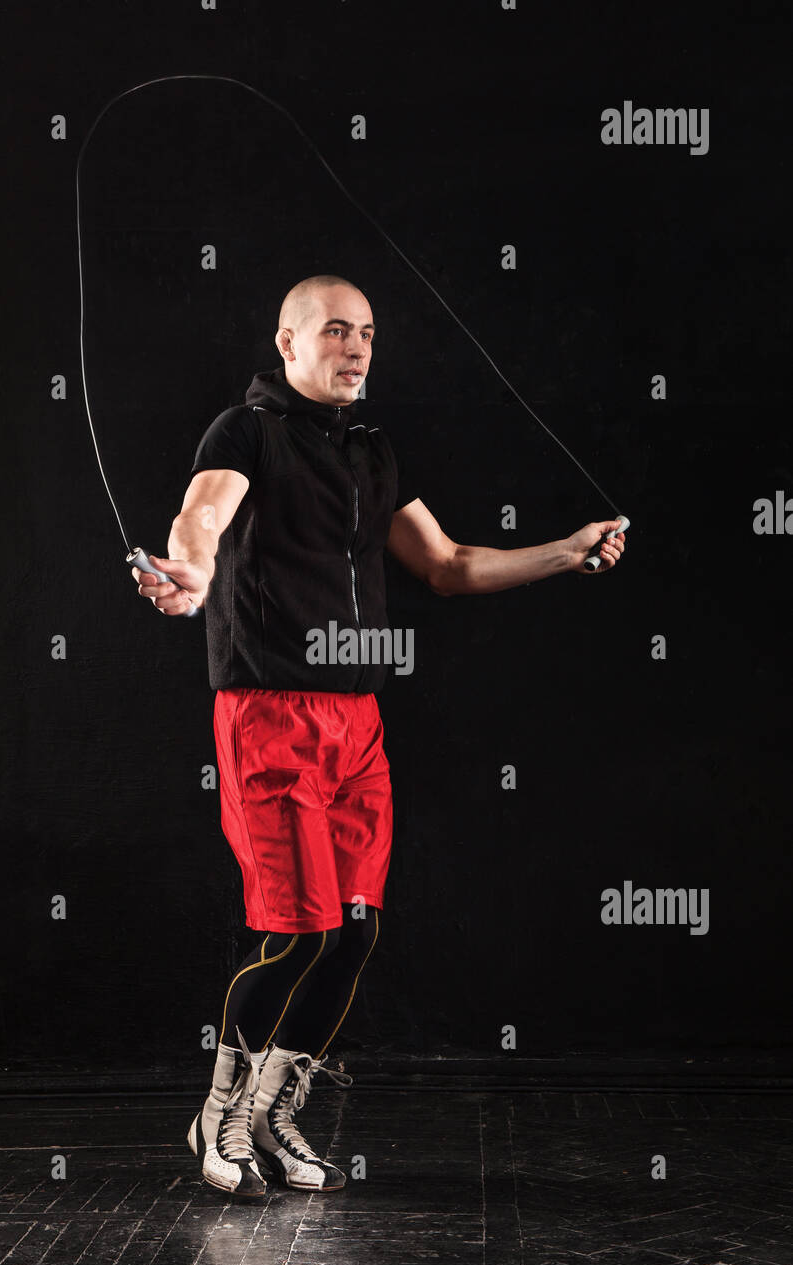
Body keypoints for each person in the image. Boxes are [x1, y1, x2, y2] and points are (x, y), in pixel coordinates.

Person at [132, 274, 626, 1199]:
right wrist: (189, 572)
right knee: (297, 929)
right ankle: (218, 1113)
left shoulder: (371, 450)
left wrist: (566, 551)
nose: (356, 348)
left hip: (357, 723)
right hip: (269, 714)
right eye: (334, 331)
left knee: (352, 932)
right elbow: (202, 517)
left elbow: (447, 565)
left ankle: (276, 1117)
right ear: (286, 343)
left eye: (366, 333)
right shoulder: (242, 432)